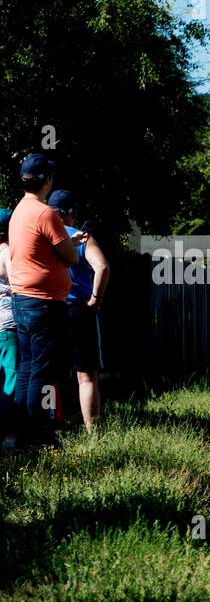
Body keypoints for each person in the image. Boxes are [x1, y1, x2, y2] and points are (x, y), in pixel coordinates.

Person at [7, 153, 88, 445]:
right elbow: (68, 257)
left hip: (23, 299)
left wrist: (67, 242)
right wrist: (72, 246)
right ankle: (37, 434)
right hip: (44, 302)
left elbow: (40, 248)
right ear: (47, 180)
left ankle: (21, 433)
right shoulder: (46, 213)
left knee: (28, 368)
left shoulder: (19, 211)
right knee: (43, 370)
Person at [49, 191, 110, 431]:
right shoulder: (81, 238)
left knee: (50, 374)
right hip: (79, 310)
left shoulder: (43, 239)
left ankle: (50, 426)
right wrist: (96, 298)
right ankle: (92, 432)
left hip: (49, 308)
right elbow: (102, 267)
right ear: (71, 213)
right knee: (86, 376)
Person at [0, 209, 17, 449]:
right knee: (10, 380)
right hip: (8, 325)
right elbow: (18, 281)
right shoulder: (6, 253)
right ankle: (10, 436)